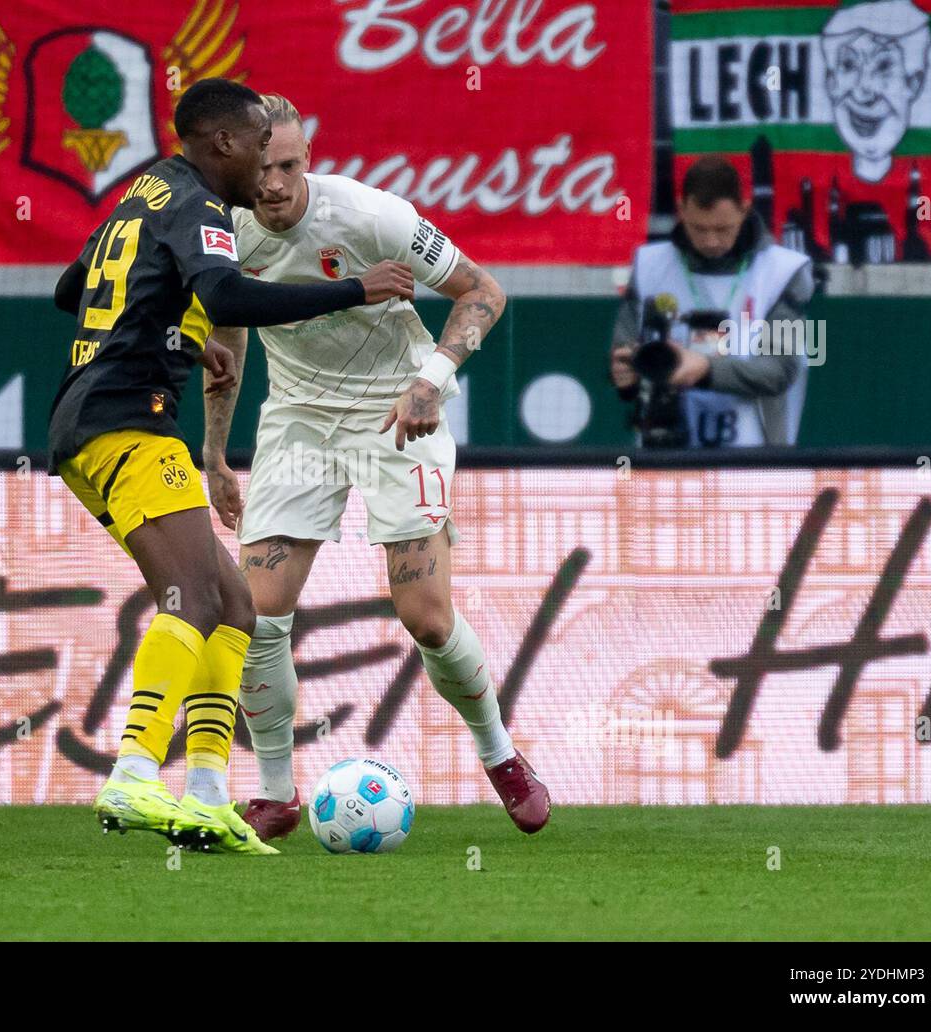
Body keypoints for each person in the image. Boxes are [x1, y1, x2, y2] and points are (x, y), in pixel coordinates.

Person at [47, 78, 414, 855]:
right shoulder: (204, 208)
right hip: (126, 423)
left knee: (237, 607)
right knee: (190, 597)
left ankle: (207, 795)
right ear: (222, 144)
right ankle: (136, 771)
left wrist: (179, 333)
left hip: (98, 420)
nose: (265, 167)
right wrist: (352, 289)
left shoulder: (142, 190)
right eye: (256, 147)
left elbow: (71, 288)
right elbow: (228, 294)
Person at [201, 94, 552, 841]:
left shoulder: (370, 216)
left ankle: (500, 753)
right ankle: (274, 794)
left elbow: (482, 291)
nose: (276, 184)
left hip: (397, 411)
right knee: (256, 615)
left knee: (424, 618)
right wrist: (215, 451)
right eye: (263, 168)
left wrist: (434, 376)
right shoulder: (223, 230)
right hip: (298, 420)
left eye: (290, 165)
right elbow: (226, 333)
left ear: (308, 159)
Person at [610, 156, 814, 448]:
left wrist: (705, 369)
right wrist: (624, 372)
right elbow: (626, 349)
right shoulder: (649, 265)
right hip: (667, 455)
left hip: (756, 457)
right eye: (699, 229)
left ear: (744, 210)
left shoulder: (783, 272)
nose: (711, 241)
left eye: (722, 229)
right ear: (681, 210)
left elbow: (779, 371)